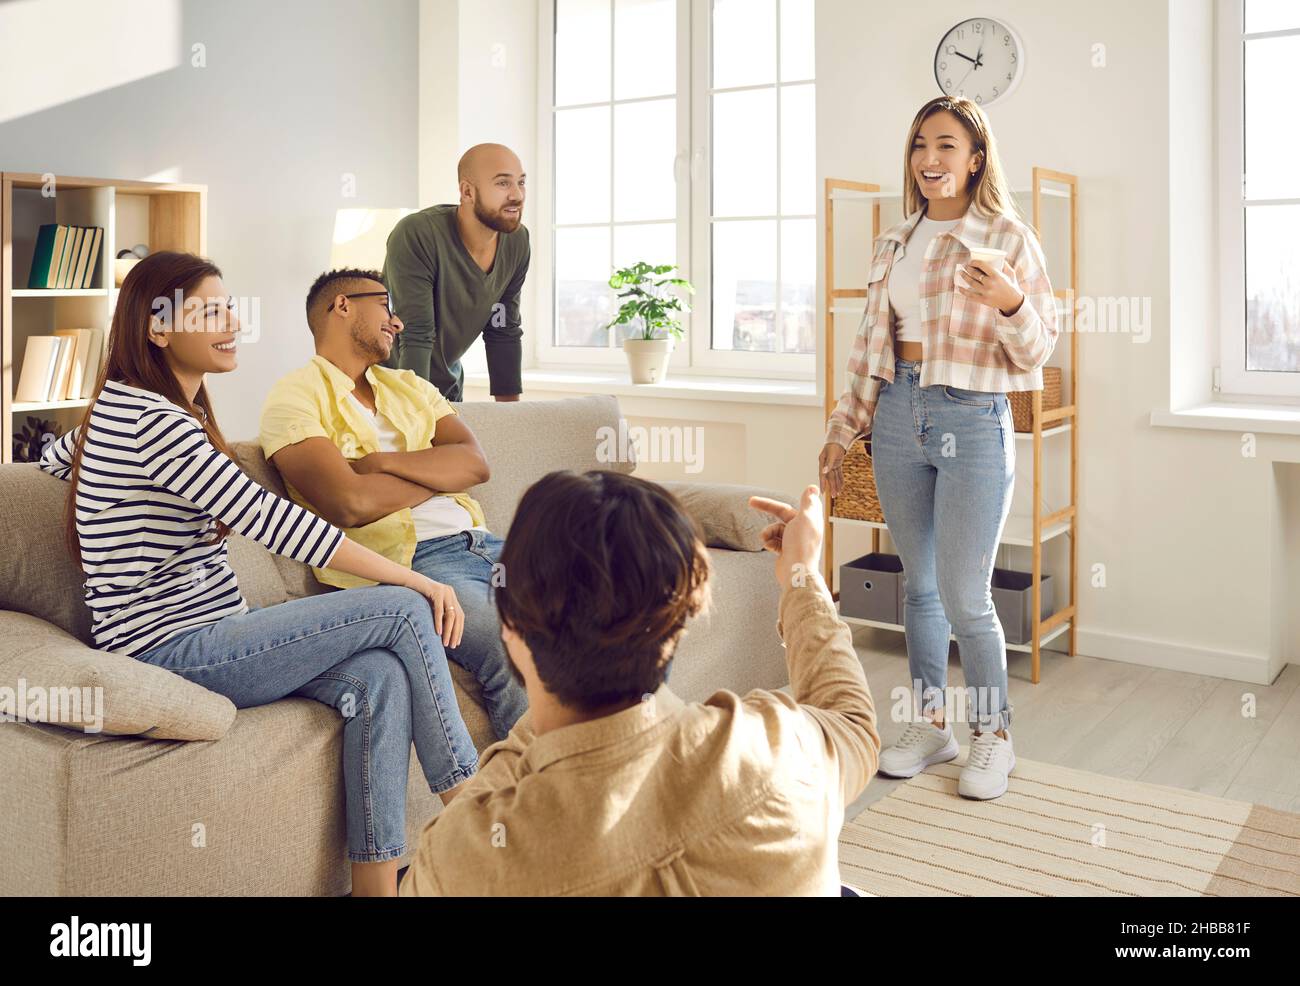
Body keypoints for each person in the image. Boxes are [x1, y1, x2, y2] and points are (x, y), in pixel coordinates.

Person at [40, 251, 480, 897]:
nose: (231, 323)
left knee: (380, 676)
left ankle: (375, 890)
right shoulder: (157, 423)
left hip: (212, 631)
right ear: (158, 328)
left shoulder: (120, 408)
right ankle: (476, 811)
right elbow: (276, 523)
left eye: (229, 308)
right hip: (173, 650)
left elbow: (53, 460)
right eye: (211, 311)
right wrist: (419, 581)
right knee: (403, 608)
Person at [398, 472, 881, 896]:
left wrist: (550, 691)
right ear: (685, 615)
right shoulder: (784, 747)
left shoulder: (460, 857)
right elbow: (852, 720)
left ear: (509, 624)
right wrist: (802, 575)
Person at [819, 95, 1060, 801]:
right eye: (921, 144)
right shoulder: (894, 242)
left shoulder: (1008, 239)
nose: (931, 159)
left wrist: (1012, 302)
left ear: (976, 157)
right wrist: (841, 433)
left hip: (973, 415)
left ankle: (993, 733)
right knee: (917, 587)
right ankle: (930, 721)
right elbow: (869, 352)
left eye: (948, 145)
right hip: (897, 412)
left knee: (963, 592)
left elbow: (1038, 352)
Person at [258, 267, 528, 741]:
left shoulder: (410, 386)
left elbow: (476, 465)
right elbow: (350, 503)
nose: (398, 322)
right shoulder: (294, 397)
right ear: (342, 305)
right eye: (386, 304)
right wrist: (436, 476)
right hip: (414, 565)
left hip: (489, 545)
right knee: (514, 647)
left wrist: (380, 462)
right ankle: (532, 808)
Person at [382, 142, 529, 402]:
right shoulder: (417, 234)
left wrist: (511, 420)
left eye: (521, 182)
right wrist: (418, 417)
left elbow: (502, 328)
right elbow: (416, 334)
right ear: (467, 191)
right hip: (393, 393)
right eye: (503, 183)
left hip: (448, 391)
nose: (517, 195)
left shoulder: (517, 241)